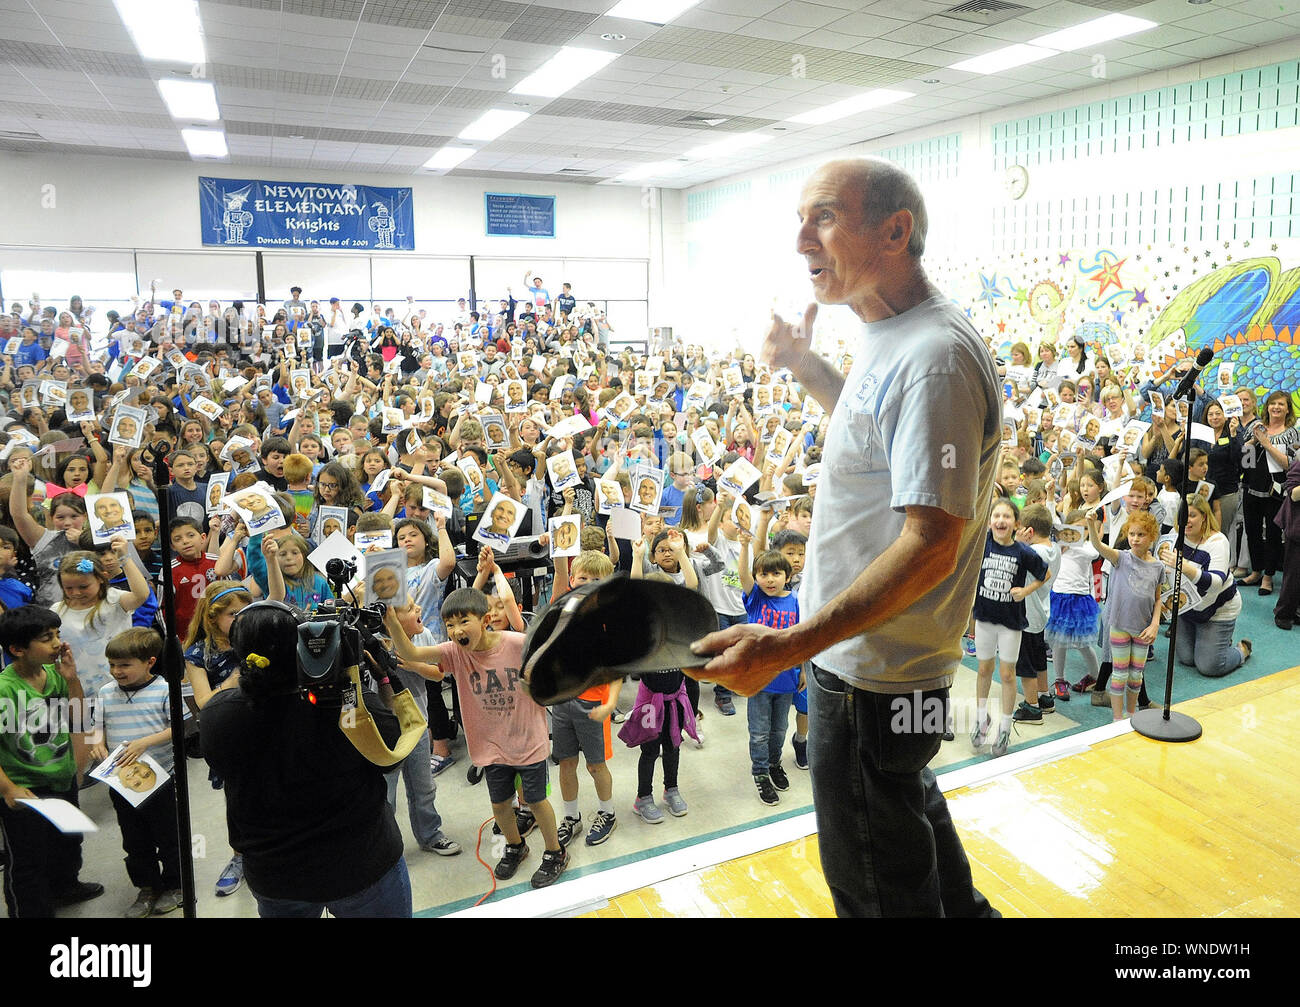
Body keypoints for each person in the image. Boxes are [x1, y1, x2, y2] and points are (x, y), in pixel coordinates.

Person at [690, 157, 1001, 918]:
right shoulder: (896, 334)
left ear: (896, 230)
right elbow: (874, 432)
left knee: (876, 886)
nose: (801, 239)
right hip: (886, 670)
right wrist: (803, 365)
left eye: (824, 216)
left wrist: (789, 645)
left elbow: (931, 544)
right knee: (905, 809)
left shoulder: (933, 357)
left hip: (870, 676)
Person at [201, 601, 412, 918]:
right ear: (303, 644)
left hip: (277, 875)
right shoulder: (347, 708)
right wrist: (364, 678)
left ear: (236, 648)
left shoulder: (218, 714)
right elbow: (390, 757)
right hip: (361, 864)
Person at [385, 588, 569, 889]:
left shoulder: (517, 644)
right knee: (500, 806)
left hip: (527, 741)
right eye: (449, 625)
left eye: (463, 622)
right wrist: (392, 620)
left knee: (536, 802)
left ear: (485, 620)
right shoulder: (455, 653)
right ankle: (516, 846)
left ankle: (554, 852)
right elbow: (411, 653)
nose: (456, 631)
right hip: (490, 745)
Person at [89, 628, 181, 917]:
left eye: (125, 665)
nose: (116, 671)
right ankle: (147, 886)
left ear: (149, 662)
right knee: (134, 839)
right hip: (121, 782)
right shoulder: (105, 692)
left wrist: (145, 743)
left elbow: (181, 727)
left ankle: (176, 884)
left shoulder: (165, 689)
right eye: (113, 665)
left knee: (168, 836)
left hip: (161, 779)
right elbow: (98, 725)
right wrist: (96, 743)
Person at [970, 499, 1050, 756]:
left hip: (1010, 623)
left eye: (1006, 516)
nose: (1000, 521)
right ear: (990, 520)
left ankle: (1005, 725)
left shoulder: (1023, 552)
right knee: (984, 669)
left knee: (1006, 674)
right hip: (984, 618)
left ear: (1016, 524)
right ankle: (981, 718)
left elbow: (1045, 575)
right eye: (996, 516)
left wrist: (1025, 591)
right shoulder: (983, 543)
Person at [1086, 509, 1163, 720]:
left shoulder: (1158, 567)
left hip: (1143, 629)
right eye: (1132, 534)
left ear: (1152, 537)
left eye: (1141, 535)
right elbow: (1098, 546)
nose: (1135, 539)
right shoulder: (1121, 558)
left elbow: (1158, 599)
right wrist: (1092, 526)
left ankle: (1131, 715)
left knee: (1136, 675)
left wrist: (1155, 624)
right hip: (1119, 626)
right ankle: (1117, 719)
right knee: (1119, 674)